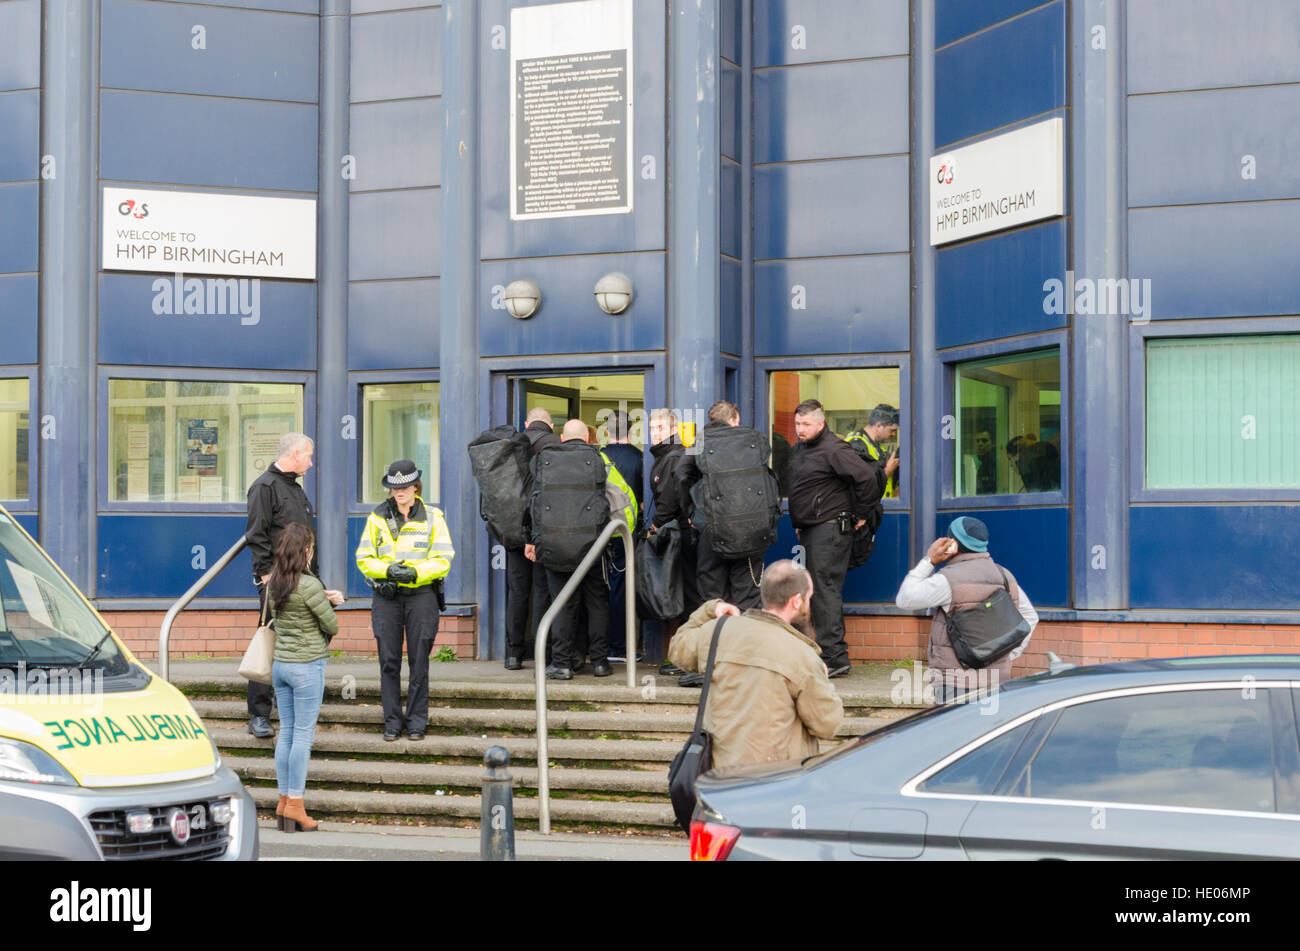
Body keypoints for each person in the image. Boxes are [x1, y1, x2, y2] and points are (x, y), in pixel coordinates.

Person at [667, 560, 843, 767]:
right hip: (774, 779)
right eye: (809, 597)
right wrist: (822, 680)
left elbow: (677, 647)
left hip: (719, 775)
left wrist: (709, 609)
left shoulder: (719, 632)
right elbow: (828, 724)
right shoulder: (802, 655)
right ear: (796, 601)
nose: (809, 603)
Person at [244, 432, 343, 738]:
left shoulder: (293, 489)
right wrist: (264, 576)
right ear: (296, 453)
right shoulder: (264, 487)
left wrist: (316, 581)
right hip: (276, 579)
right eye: (309, 456)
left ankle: (297, 700)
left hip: (306, 576)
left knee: (319, 626)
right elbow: (256, 534)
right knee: (270, 638)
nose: (311, 463)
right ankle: (259, 714)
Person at [525, 419, 636, 680]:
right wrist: (623, 533)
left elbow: (532, 503)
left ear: (562, 437)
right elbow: (620, 498)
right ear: (588, 438)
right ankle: (600, 663)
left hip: (554, 545)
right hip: (592, 545)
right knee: (597, 602)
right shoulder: (599, 460)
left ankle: (561, 663)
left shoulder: (544, 461)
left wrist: (531, 539)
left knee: (562, 603)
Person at [355, 460, 455, 741]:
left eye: (404, 487)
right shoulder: (377, 517)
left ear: (415, 486)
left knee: (419, 659)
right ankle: (391, 722)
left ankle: (416, 722)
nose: (398, 492)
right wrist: (387, 570)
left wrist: (414, 573)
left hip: (421, 596)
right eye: (393, 487)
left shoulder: (434, 516)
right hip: (387, 597)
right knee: (388, 660)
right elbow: (364, 558)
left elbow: (443, 559)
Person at [894, 516, 1038, 702]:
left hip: (956, 684)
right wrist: (1009, 654)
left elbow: (905, 599)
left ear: (952, 543)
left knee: (955, 731)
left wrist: (929, 560)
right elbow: (1030, 617)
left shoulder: (947, 580)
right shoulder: (1005, 576)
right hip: (997, 682)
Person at [788, 399, 881, 678]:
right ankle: (825, 652)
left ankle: (835, 657)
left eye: (805, 424)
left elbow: (867, 479)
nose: (800, 429)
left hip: (829, 531)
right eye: (797, 424)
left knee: (825, 591)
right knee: (819, 591)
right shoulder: (806, 450)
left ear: (820, 423)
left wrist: (862, 514)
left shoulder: (834, 448)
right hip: (814, 530)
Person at [266, 522, 337, 833]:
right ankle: (296, 804)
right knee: (303, 738)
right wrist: (334, 602)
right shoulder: (309, 586)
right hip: (307, 667)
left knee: (287, 733)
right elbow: (331, 626)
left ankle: (283, 801)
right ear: (306, 551)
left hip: (280, 665)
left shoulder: (274, 583)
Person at [675, 400, 768, 611]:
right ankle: (743, 640)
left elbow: (681, 474)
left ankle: (717, 641)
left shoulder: (700, 442)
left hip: (711, 525)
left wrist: (690, 510)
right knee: (747, 595)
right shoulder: (748, 441)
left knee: (712, 598)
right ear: (733, 420)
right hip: (749, 526)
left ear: (711, 421)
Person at [503, 408, 561, 670]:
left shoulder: (510, 445)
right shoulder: (554, 444)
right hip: (542, 529)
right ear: (549, 424)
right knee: (542, 592)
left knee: (517, 593)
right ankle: (542, 654)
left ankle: (513, 654)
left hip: (512, 530)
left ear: (527, 423)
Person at [645, 409, 700, 674]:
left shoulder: (673, 456)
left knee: (689, 596)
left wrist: (654, 526)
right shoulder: (667, 454)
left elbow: (668, 499)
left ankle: (688, 660)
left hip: (682, 534)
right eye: (652, 427)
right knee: (687, 594)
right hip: (682, 532)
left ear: (673, 428)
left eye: (660, 428)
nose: (655, 432)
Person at [600, 408, 644, 664]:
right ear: (631, 430)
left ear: (607, 431)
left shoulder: (598, 458)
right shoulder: (641, 459)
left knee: (603, 589)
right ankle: (621, 646)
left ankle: (607, 645)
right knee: (625, 589)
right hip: (628, 535)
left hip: (601, 534)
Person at [847, 404, 900, 499]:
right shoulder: (856, 445)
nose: (894, 434)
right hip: (867, 509)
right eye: (892, 430)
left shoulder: (877, 446)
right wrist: (888, 470)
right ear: (879, 425)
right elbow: (862, 485)